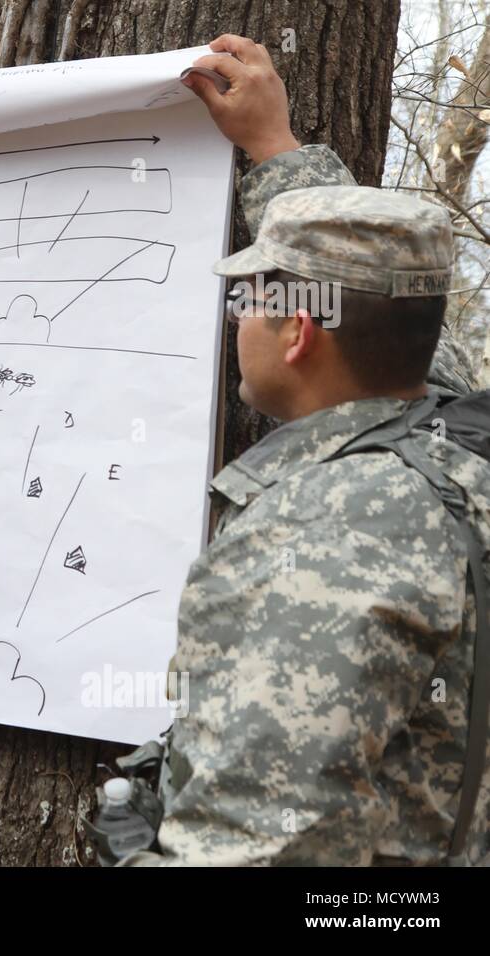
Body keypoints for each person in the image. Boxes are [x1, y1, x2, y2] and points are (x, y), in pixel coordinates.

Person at [114, 35, 490, 865]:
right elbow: (402, 313)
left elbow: (257, 844)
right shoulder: (464, 444)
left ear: (298, 331)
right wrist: (275, 151)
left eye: (245, 299)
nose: (235, 318)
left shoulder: (323, 531)